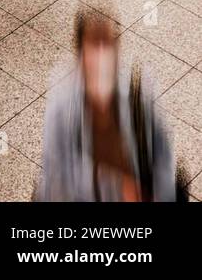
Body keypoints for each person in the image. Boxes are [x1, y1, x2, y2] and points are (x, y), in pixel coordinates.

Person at [38, 11, 178, 202]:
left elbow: (164, 163)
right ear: (81, 54)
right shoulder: (62, 111)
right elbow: (55, 183)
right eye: (95, 43)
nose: (103, 53)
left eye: (109, 42)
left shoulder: (140, 98)